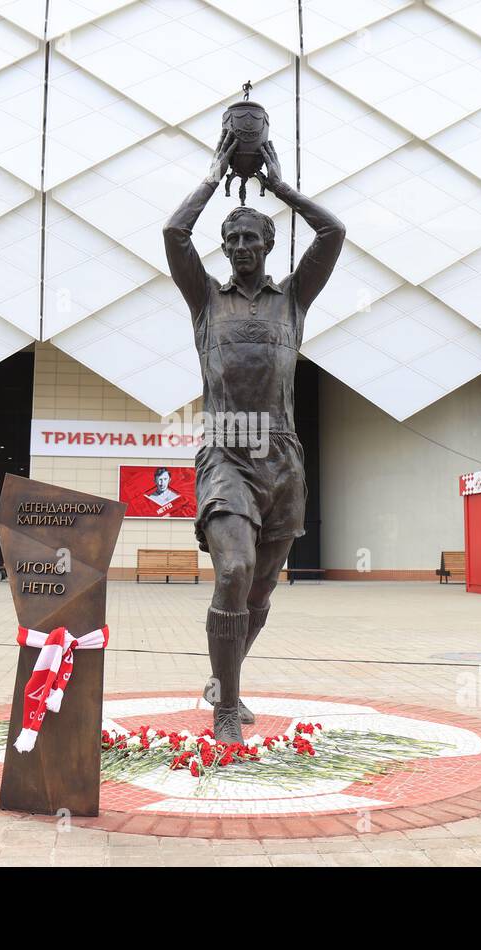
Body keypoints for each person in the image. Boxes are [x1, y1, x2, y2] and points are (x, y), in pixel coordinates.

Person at [164, 133, 344, 743]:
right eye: (233, 238)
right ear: (224, 247)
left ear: (269, 244)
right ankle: (224, 713)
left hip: (283, 456)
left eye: (252, 237)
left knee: (262, 589)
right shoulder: (204, 300)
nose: (242, 246)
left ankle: (226, 683)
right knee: (234, 569)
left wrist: (276, 186)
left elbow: (333, 234)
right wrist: (218, 173)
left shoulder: (293, 299)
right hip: (226, 452)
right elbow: (172, 235)